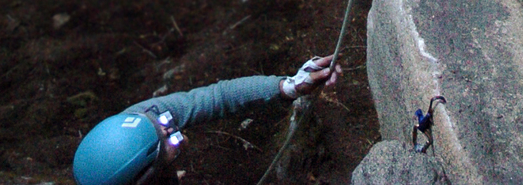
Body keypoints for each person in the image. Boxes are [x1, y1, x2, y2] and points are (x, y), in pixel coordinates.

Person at [72, 57, 339, 185]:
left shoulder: (140, 120)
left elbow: (217, 98)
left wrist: (289, 86)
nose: (170, 128)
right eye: (166, 139)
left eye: (162, 125)